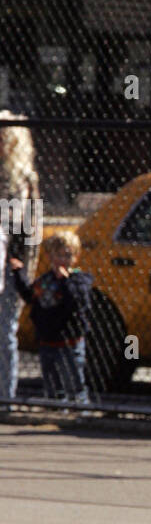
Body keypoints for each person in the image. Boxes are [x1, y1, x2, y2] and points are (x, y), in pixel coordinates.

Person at [10, 230, 93, 405]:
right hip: (48, 340)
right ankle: (55, 407)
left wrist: (66, 282)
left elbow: (79, 302)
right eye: (58, 255)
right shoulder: (45, 281)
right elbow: (30, 296)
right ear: (49, 256)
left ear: (76, 257)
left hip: (70, 341)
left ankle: (79, 408)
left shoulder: (79, 279)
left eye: (68, 255)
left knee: (74, 381)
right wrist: (19, 273)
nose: (63, 260)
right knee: (52, 382)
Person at [0, 112, 40, 402]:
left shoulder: (22, 181)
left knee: (4, 333)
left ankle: (5, 397)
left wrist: (21, 263)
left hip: (8, 265)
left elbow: (29, 225)